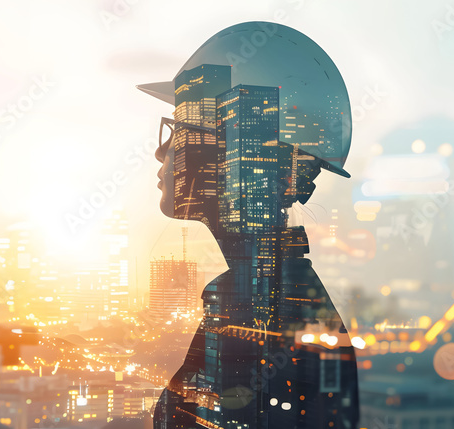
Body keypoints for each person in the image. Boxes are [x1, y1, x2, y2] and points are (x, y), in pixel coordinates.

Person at [137, 22, 360, 428]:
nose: (160, 151)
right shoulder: (273, 297)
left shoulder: (257, 316)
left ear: (229, 149)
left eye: (179, 131)